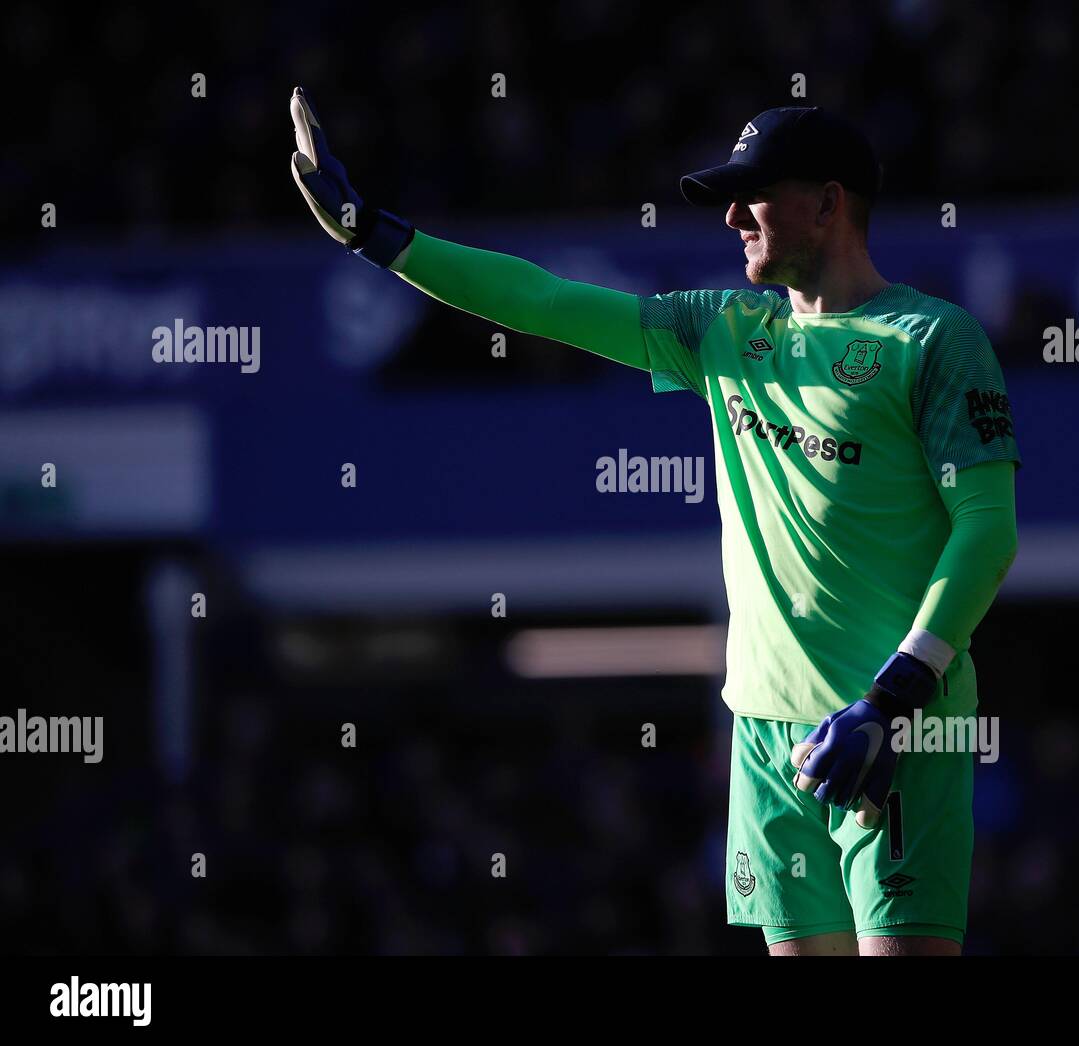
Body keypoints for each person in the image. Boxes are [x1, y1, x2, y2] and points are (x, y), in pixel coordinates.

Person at [290, 89, 1021, 955]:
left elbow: (988, 530)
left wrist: (892, 698)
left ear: (829, 203)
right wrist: (377, 237)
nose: (733, 218)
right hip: (765, 734)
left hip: (897, 727)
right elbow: (543, 301)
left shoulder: (933, 339)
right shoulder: (722, 329)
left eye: (754, 195)